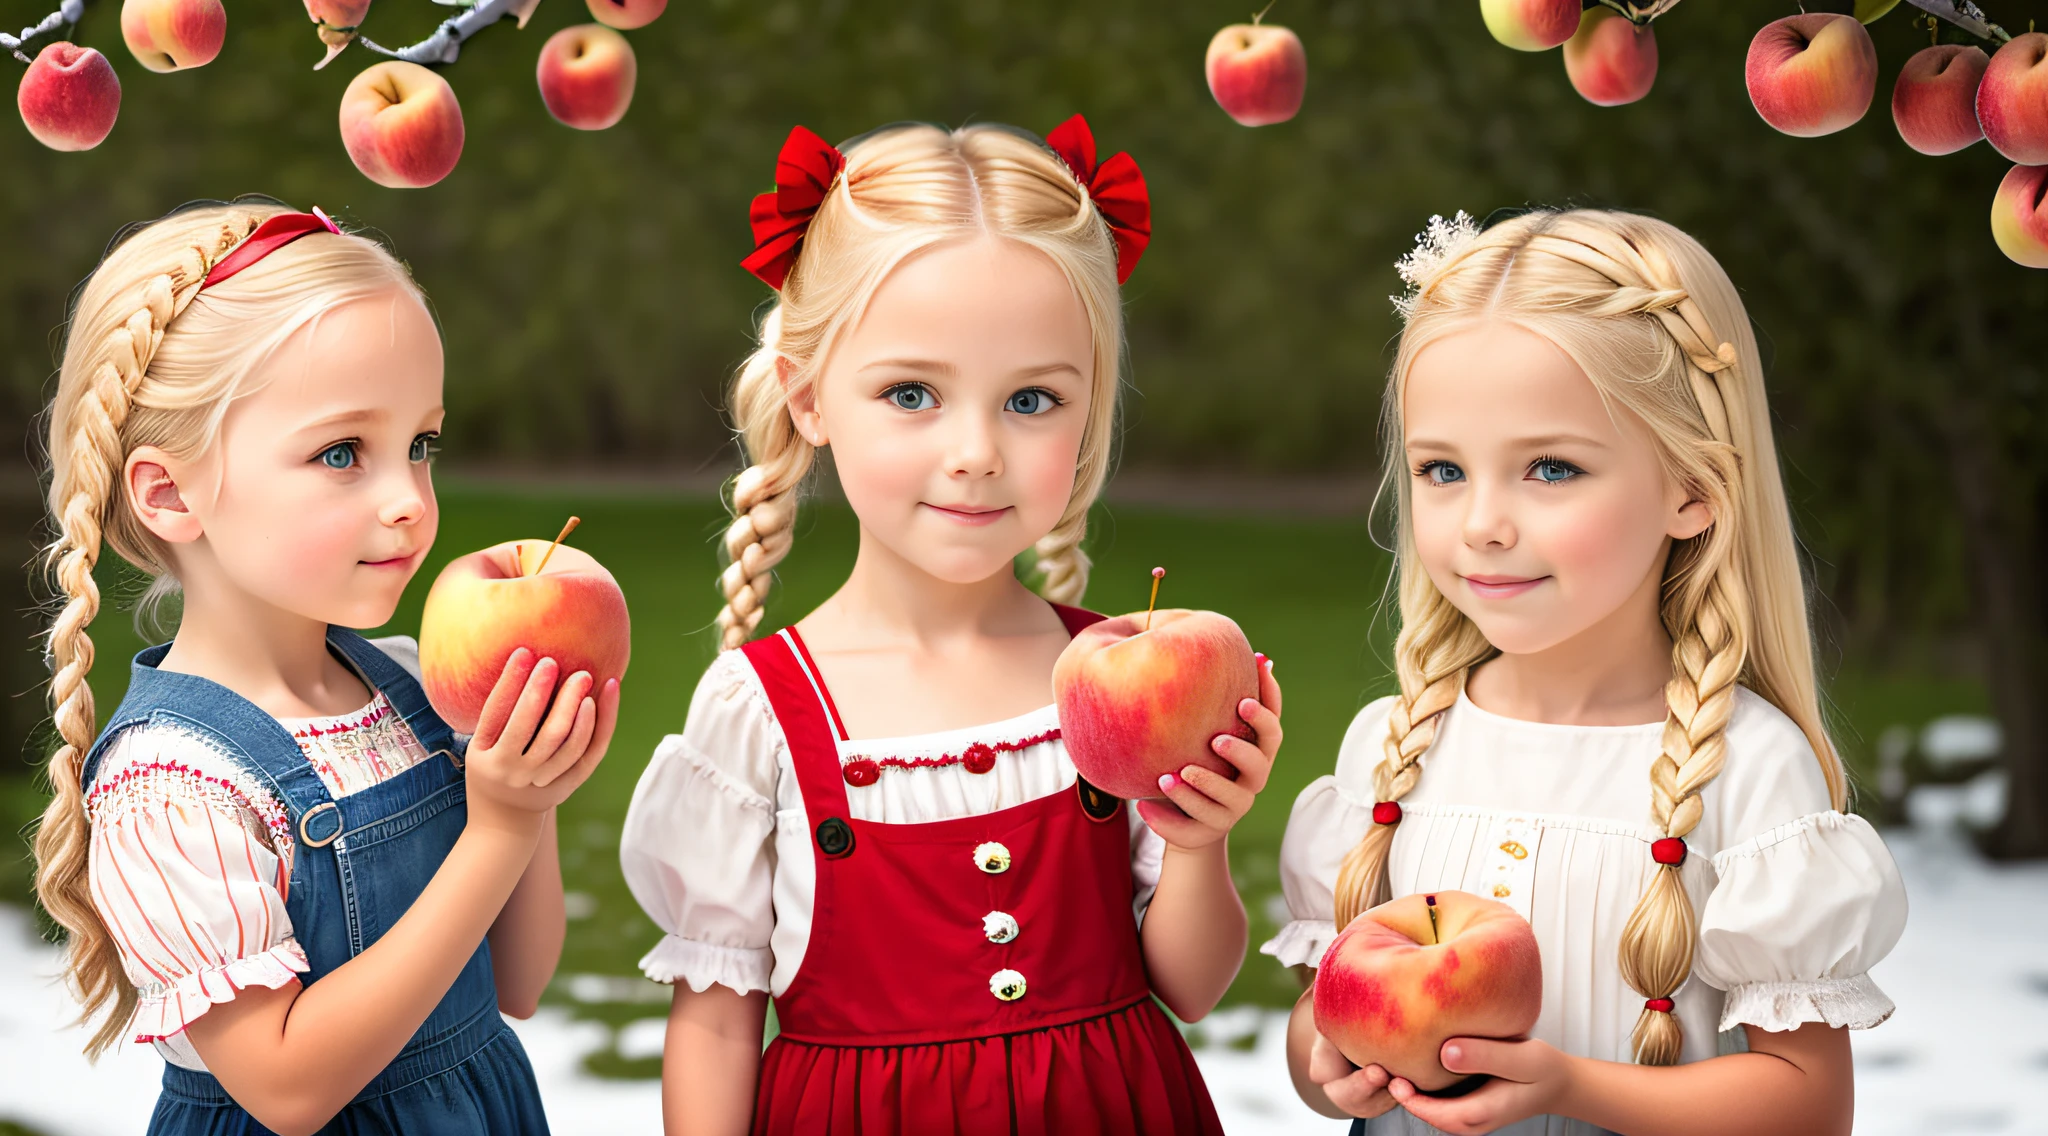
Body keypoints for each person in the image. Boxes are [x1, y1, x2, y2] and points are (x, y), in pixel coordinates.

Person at [620, 118, 1280, 1134]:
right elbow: (713, 1022)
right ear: (807, 397)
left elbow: (1189, 987)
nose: (975, 451)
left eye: (1029, 398)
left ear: (1089, 407)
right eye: (912, 393)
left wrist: (1200, 844)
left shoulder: (1113, 683)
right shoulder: (758, 711)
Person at [1270, 209, 1907, 1135]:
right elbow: (1312, 1034)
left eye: (1551, 469)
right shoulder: (1392, 752)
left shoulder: (1748, 771)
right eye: (1442, 470)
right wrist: (1327, 1058)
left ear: (1693, 489)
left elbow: (1809, 1107)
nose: (1483, 522)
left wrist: (1574, 1088)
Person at [32, 199, 618, 1135]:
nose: (410, 503)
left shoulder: (409, 686)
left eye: (420, 445)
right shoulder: (173, 788)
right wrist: (497, 830)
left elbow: (519, 979)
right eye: (344, 452)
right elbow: (291, 1089)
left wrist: (530, 793)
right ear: (171, 491)